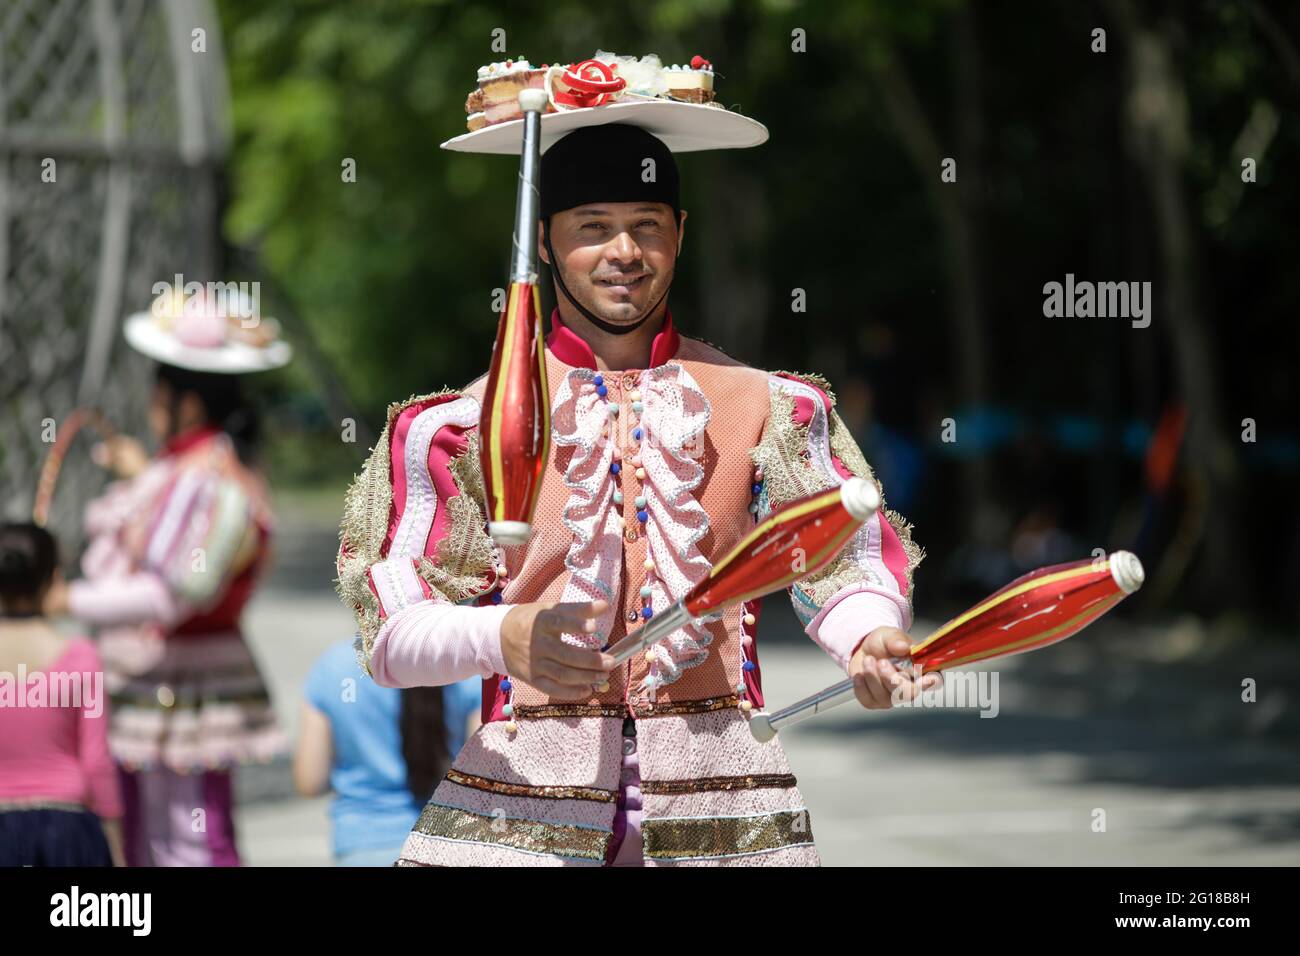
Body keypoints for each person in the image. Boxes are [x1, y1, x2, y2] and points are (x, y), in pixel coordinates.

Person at [336, 99, 940, 866]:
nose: (624, 250)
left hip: (724, 812)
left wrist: (868, 640)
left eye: (647, 225)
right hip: (520, 813)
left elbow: (838, 559)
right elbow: (391, 634)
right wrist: (503, 636)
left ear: (680, 234)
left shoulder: (770, 404)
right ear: (545, 245)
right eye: (592, 226)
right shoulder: (464, 424)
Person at [46, 287, 292, 865]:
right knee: (166, 834)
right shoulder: (204, 467)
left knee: (184, 837)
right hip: (172, 676)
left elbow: (172, 592)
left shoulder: (207, 477)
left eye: (159, 396)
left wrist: (67, 599)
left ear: (184, 402)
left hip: (184, 682)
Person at [0, 522, 124, 866]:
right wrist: (115, 842)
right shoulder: (82, 657)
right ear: (53, 579)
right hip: (66, 829)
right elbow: (97, 762)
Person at [294, 639, 481, 865]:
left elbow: (310, 781)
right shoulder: (466, 668)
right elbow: (478, 779)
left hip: (361, 845)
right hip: (446, 843)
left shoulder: (332, 667)